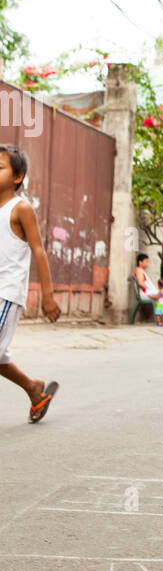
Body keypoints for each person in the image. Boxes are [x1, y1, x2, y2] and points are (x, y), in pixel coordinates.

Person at [0, 145, 60, 421]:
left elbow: (38, 249)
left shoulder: (20, 208)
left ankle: (34, 389)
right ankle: (34, 389)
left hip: (5, 293)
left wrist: (48, 296)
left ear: (17, 176)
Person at [134, 252, 160, 319]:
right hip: (144, 293)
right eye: (146, 261)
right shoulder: (139, 270)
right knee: (162, 294)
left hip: (147, 292)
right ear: (140, 262)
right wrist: (149, 289)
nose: (147, 264)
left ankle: (162, 317)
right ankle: (161, 317)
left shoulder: (141, 270)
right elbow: (140, 283)